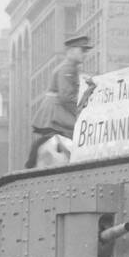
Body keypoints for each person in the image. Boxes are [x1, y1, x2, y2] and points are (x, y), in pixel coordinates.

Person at [25, 34, 96, 168]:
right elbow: (66, 97)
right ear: (72, 51)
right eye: (82, 50)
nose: (84, 54)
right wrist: (82, 112)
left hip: (58, 108)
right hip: (57, 109)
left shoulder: (71, 67)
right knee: (80, 131)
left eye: (85, 51)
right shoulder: (67, 68)